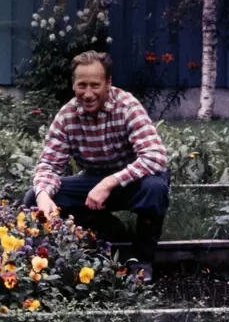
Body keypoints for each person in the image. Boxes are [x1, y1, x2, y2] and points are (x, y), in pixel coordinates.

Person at [24, 50, 170, 269]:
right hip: (92, 183)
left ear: (108, 83)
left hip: (133, 182)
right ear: (73, 85)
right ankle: (106, 231)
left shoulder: (127, 107)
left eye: (95, 85)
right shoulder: (66, 116)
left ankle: (142, 260)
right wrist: (44, 195)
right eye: (82, 85)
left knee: (155, 188)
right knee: (33, 198)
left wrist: (108, 183)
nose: (88, 94)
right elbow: (49, 165)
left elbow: (155, 157)